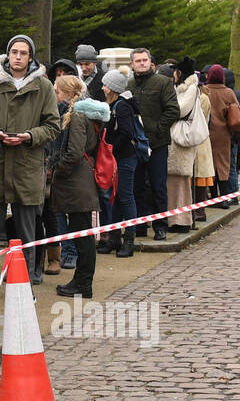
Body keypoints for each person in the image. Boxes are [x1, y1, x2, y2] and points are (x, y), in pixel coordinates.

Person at [0, 33, 61, 284]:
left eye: (23, 53)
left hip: (27, 165)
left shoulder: (44, 87)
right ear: (8, 55)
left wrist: (29, 136)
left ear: (31, 57)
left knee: (28, 231)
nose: (18, 57)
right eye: (14, 52)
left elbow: (53, 125)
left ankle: (26, 282)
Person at [52, 74, 109, 298]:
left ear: (66, 93)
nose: (55, 95)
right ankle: (80, 280)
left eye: (57, 91)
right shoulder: (82, 114)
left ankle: (83, 284)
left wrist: (59, 169)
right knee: (81, 233)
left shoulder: (76, 116)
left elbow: (74, 152)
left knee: (82, 234)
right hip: (80, 180)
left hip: (77, 181)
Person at [129, 47, 180, 240]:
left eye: (144, 60)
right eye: (138, 60)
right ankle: (141, 225)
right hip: (135, 145)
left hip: (157, 144)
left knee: (158, 186)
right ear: (132, 64)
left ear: (151, 63)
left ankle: (160, 226)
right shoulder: (129, 84)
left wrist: (158, 129)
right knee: (138, 186)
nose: (141, 63)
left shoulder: (162, 83)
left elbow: (173, 110)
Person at [98, 69, 141, 256]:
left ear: (112, 88)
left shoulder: (121, 107)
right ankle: (114, 238)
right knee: (114, 199)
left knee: (125, 197)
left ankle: (129, 240)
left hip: (124, 158)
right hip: (117, 158)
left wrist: (111, 150)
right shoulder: (115, 104)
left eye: (105, 85)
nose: (102, 87)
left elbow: (127, 133)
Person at [166, 62, 207, 233]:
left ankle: (182, 220)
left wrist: (166, 108)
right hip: (177, 139)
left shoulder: (190, 89)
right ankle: (175, 219)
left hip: (181, 140)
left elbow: (181, 109)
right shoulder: (185, 88)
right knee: (174, 181)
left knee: (180, 180)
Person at [204, 65, 240, 204]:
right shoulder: (228, 93)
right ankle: (225, 198)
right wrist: (239, 135)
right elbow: (237, 116)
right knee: (224, 166)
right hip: (224, 134)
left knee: (210, 166)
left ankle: (214, 197)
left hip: (207, 134)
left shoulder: (204, 91)